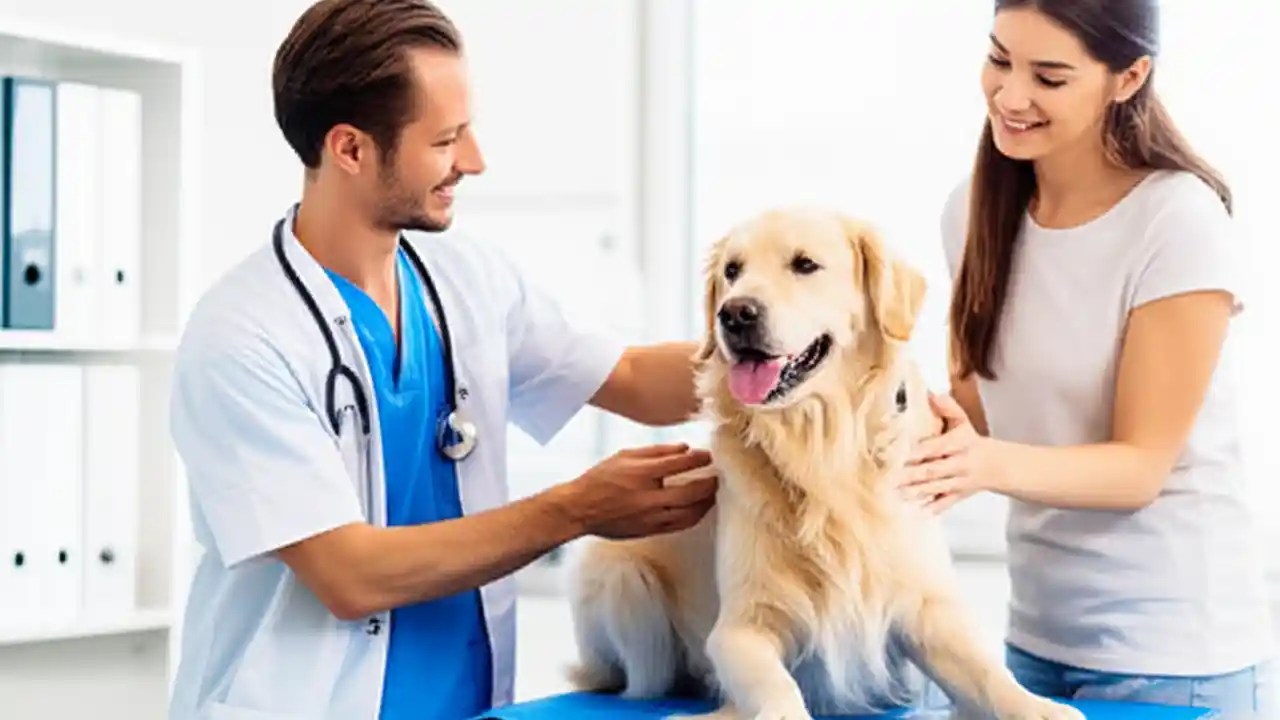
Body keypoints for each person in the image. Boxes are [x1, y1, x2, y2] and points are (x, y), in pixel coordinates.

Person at [164, 1, 718, 718]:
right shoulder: (242, 336)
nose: (475, 160)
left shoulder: (467, 282)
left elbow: (637, 380)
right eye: (447, 140)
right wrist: (577, 509)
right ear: (351, 149)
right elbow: (349, 574)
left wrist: (830, 371)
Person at [899, 0, 1274, 715]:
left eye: (1049, 76)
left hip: (1177, 657)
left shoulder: (1177, 220)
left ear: (1129, 76)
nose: (1010, 96)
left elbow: (1138, 466)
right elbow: (972, 413)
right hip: (1035, 641)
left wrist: (981, 460)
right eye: (999, 59)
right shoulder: (974, 208)